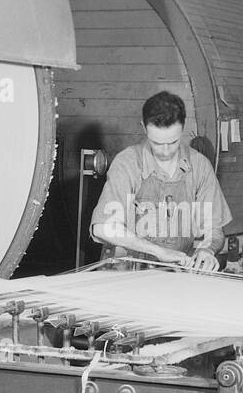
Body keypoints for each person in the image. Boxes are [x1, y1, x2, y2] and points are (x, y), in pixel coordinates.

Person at [90, 91, 233, 271]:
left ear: (182, 127)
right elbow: (103, 228)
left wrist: (207, 250)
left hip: (175, 275)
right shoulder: (127, 163)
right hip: (125, 273)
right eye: (157, 143)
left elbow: (214, 229)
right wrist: (158, 251)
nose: (165, 151)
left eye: (173, 142)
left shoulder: (199, 166)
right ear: (144, 127)